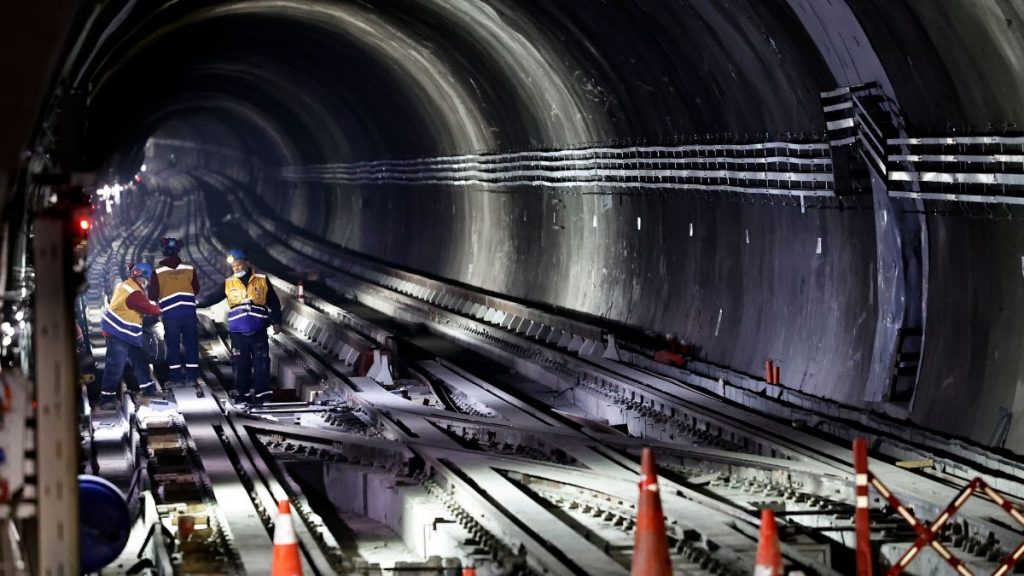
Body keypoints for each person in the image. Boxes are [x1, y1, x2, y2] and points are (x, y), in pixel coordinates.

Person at [202, 249, 282, 406]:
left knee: (262, 362)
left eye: (239, 265)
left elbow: (273, 302)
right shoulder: (228, 282)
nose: (236, 268)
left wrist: (277, 322)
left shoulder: (262, 280)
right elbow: (213, 298)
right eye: (234, 266)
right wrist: (195, 303)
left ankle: (262, 395)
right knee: (240, 363)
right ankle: (241, 395)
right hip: (238, 331)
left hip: (258, 329)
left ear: (247, 263)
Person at [98, 262, 162, 410]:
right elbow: (146, 307)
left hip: (127, 333)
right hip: (118, 333)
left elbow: (142, 304)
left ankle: (149, 389)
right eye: (145, 280)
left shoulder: (128, 285)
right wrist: (162, 309)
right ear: (143, 278)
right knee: (115, 364)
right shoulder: (134, 292)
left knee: (139, 360)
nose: (146, 283)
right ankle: (106, 398)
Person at [148, 237, 200, 387]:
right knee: (191, 344)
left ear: (163, 252)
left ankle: (176, 379)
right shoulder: (189, 268)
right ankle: (192, 378)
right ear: (178, 251)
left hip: (171, 315)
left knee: (173, 346)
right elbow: (196, 289)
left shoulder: (157, 272)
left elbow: (152, 295)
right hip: (189, 313)